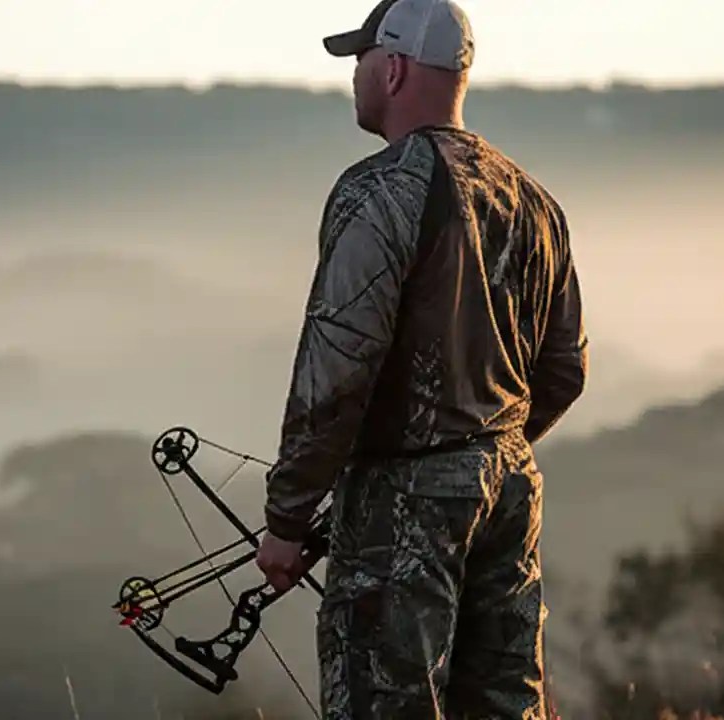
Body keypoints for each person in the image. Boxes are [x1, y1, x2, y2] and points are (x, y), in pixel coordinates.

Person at [255, 0, 589, 717]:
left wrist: (288, 519)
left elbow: (337, 370)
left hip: (400, 504)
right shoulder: (532, 200)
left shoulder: (377, 193)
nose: (355, 76)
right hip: (508, 489)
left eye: (362, 60)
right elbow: (565, 372)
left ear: (395, 68)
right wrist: (478, 458)